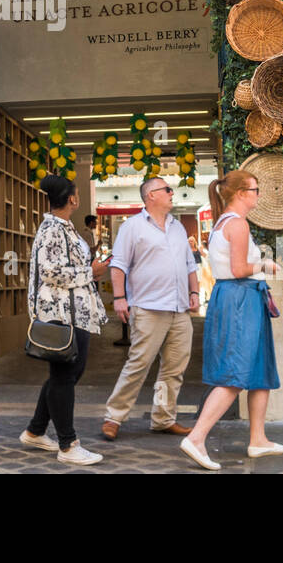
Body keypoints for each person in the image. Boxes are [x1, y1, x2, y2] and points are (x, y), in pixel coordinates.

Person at [179, 171, 283, 471]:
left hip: (242, 298)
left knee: (258, 369)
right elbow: (239, 268)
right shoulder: (237, 224)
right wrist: (265, 264)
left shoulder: (224, 223)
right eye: (256, 189)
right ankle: (197, 437)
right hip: (240, 299)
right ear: (241, 193)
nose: (259, 194)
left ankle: (258, 439)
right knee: (235, 372)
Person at [20, 174, 111, 465]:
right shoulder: (52, 229)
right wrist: (91, 273)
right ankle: (68, 445)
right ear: (72, 198)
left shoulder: (64, 227)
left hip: (74, 312)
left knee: (68, 373)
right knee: (65, 375)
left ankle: (35, 431)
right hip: (61, 314)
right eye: (76, 193)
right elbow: (51, 272)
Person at [101, 176, 200, 440]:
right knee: (138, 364)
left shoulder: (177, 227)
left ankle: (163, 418)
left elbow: (190, 265)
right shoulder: (132, 227)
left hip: (179, 309)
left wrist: (194, 292)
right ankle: (114, 416)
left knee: (173, 368)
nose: (171, 192)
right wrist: (119, 298)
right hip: (148, 308)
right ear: (151, 196)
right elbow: (119, 265)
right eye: (166, 189)